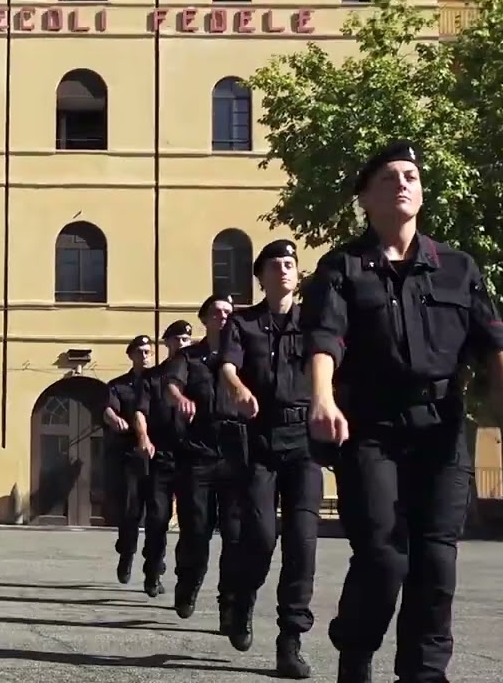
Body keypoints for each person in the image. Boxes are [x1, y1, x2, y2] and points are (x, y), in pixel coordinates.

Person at [304, 140, 503, 683]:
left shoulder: (457, 267)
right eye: (389, 177)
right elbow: (325, 340)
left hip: (441, 430)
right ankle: (356, 647)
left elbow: (497, 344)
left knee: (435, 560)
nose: (403, 184)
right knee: (384, 555)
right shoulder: (342, 267)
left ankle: (424, 673)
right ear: (366, 199)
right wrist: (322, 396)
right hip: (371, 430)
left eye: (411, 176)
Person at [219, 240, 321, 678]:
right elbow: (227, 366)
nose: (284, 269)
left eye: (290, 263)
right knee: (261, 537)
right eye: (275, 264)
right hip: (260, 440)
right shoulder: (243, 323)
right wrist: (238, 388)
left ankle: (290, 641)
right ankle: (242, 598)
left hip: (305, 443)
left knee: (302, 541)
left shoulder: (314, 323)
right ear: (260, 276)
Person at [163, 295, 245, 630]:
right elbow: (171, 384)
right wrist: (180, 398)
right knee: (196, 530)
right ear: (205, 319)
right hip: (198, 453)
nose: (223, 318)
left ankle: (230, 605)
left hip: (236, 453)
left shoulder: (245, 354)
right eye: (216, 313)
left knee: (236, 535)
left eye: (228, 313)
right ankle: (189, 582)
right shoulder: (189, 357)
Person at [133, 320, 191, 597]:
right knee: (158, 516)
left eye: (185, 340)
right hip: (162, 454)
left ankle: (186, 575)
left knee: (193, 521)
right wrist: (144, 437)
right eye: (176, 339)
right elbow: (140, 411)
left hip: (192, 456)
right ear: (166, 343)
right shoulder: (152, 378)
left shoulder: (199, 374)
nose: (181, 344)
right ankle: (153, 568)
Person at [102, 334, 154, 584]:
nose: (144, 356)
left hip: (158, 454)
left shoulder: (161, 381)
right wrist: (113, 418)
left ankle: (155, 563)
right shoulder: (119, 385)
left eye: (148, 352)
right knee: (130, 510)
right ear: (131, 356)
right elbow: (108, 409)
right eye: (140, 352)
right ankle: (127, 552)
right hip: (130, 454)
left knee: (158, 511)